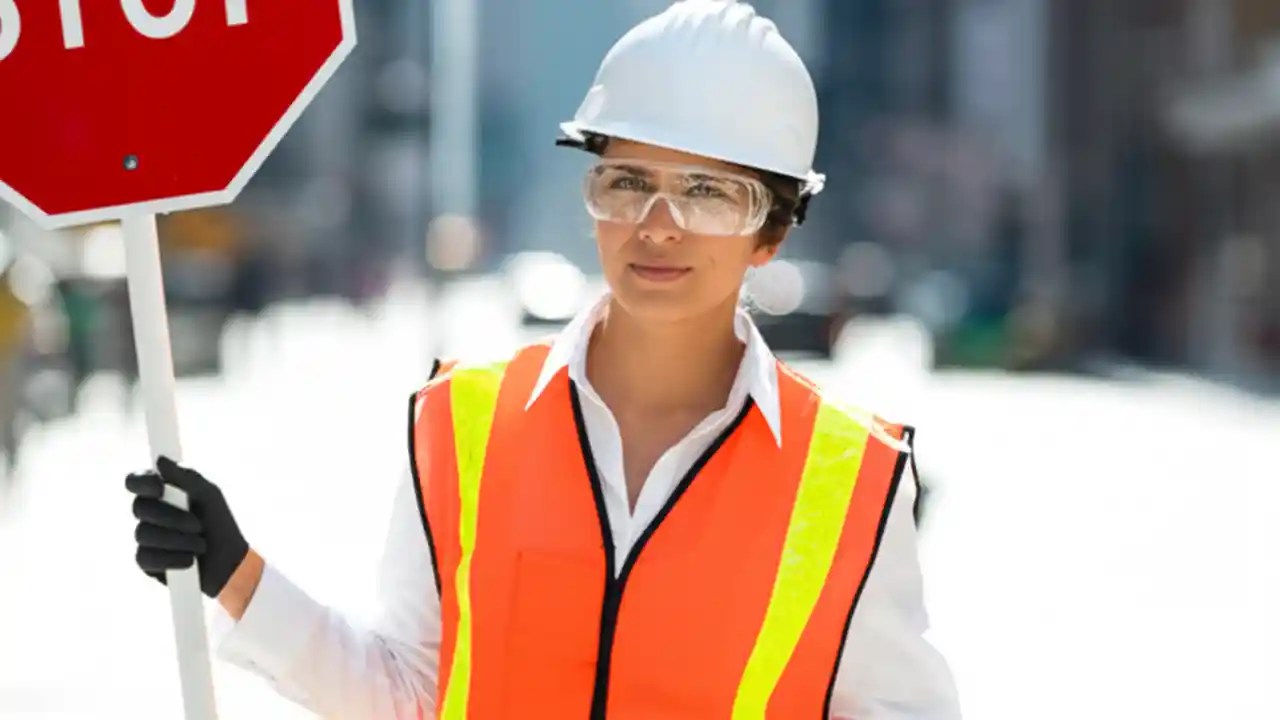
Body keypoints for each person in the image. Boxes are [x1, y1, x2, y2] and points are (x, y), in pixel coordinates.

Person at [125, 2, 961, 717]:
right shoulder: (464, 423)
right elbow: (413, 692)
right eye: (627, 181)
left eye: (709, 192)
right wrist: (234, 573)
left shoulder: (849, 482)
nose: (657, 224)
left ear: (772, 232)